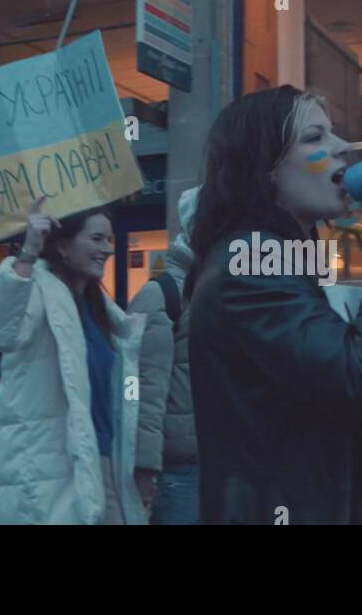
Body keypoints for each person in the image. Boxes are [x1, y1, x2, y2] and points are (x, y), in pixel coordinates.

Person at [187, 85, 362, 524]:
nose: (341, 148)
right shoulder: (250, 268)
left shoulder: (279, 261)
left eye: (334, 134)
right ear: (264, 168)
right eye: (314, 138)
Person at [0, 199, 147, 524]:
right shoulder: (36, 289)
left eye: (109, 240)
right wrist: (28, 251)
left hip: (101, 462)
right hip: (50, 472)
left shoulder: (97, 307)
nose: (107, 249)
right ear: (63, 247)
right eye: (96, 239)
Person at [128, 187, 200, 524]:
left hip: (217, 463)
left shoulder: (218, 288)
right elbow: (144, 392)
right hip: (179, 470)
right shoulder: (160, 295)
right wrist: (144, 471)